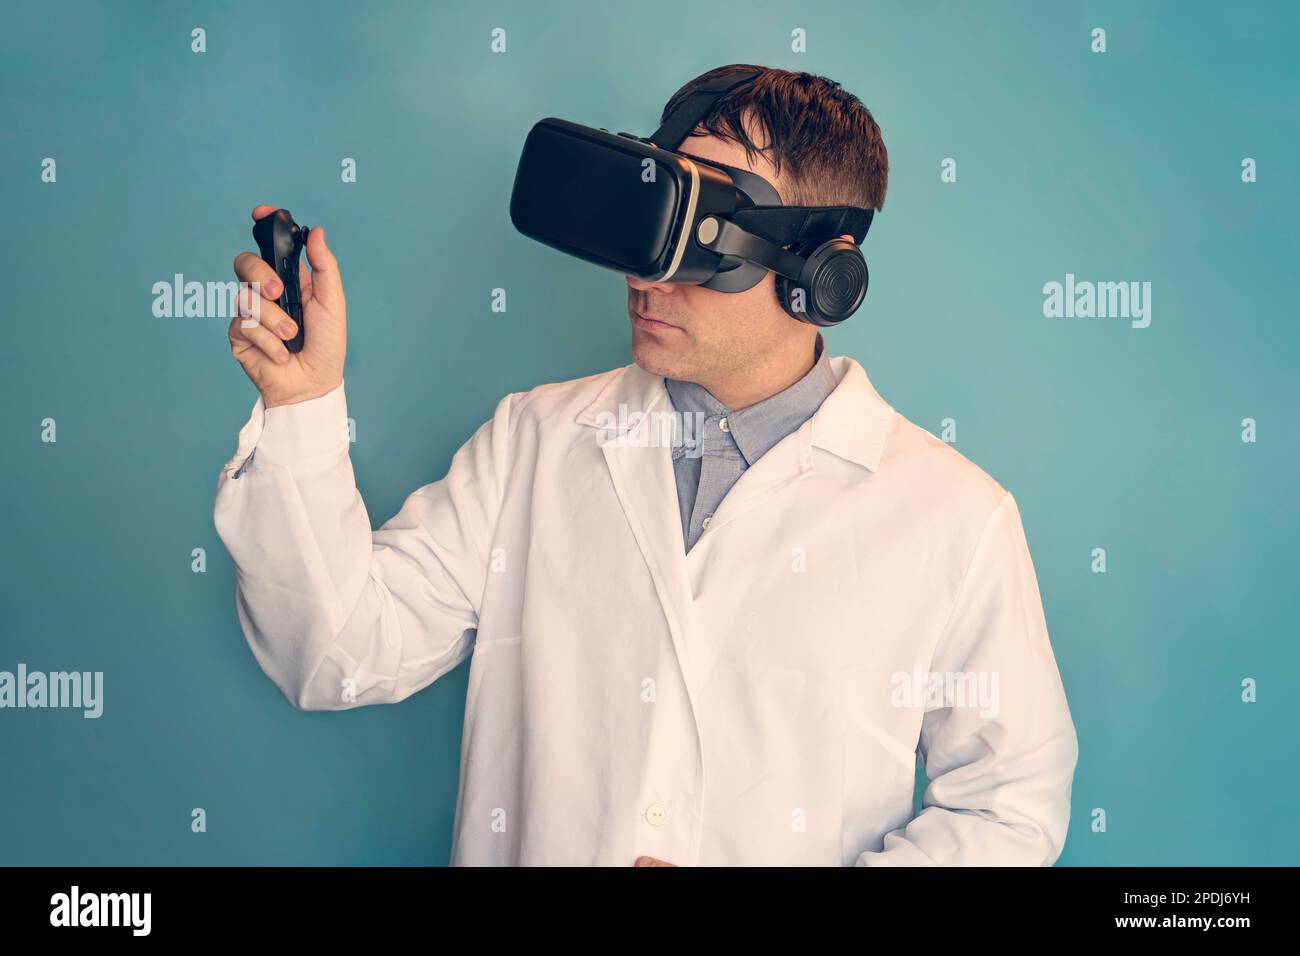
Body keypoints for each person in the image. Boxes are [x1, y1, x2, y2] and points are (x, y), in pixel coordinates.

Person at [214, 64, 1078, 866]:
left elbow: (1005, 811)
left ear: (819, 275)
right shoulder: (535, 443)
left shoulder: (954, 519)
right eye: (649, 219)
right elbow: (332, 655)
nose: (646, 276)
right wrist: (301, 408)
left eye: (700, 238)